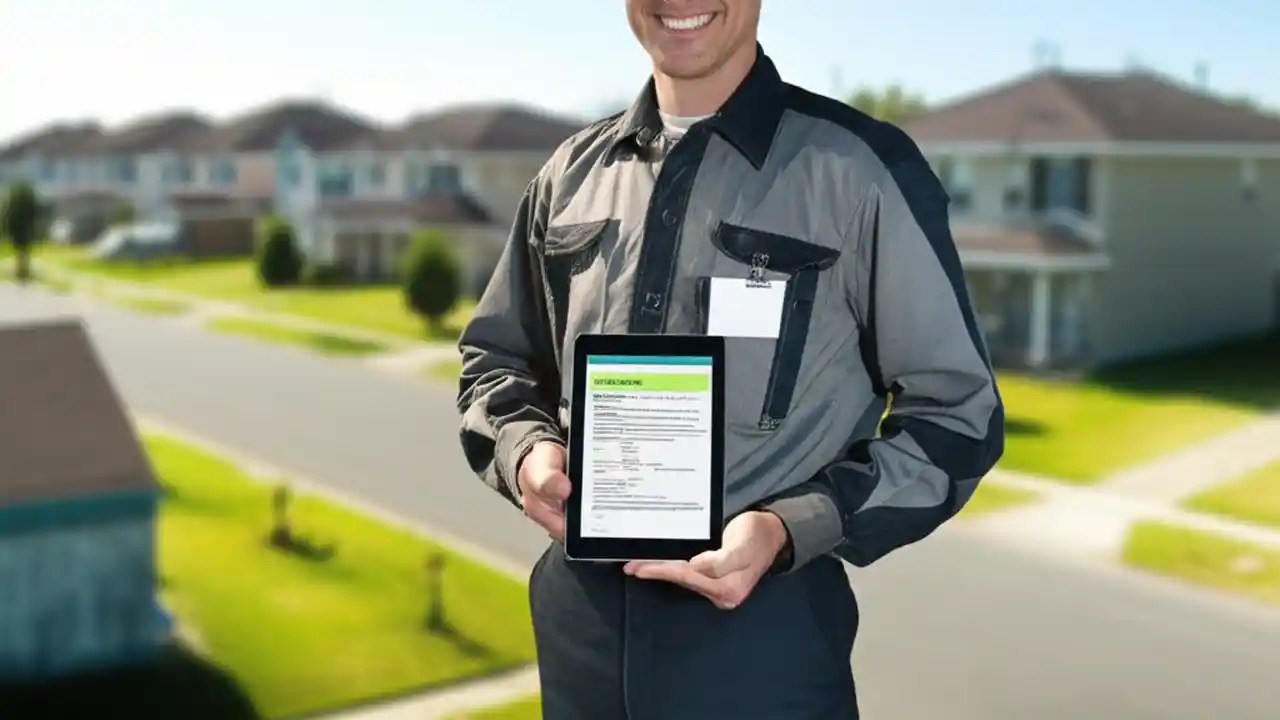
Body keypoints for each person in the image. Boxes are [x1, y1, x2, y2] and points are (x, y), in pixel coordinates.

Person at [455, 1, 1005, 717]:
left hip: (764, 651)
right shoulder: (569, 176)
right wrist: (527, 453)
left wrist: (788, 526)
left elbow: (959, 416)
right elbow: (496, 362)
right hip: (579, 643)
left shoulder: (859, 171)